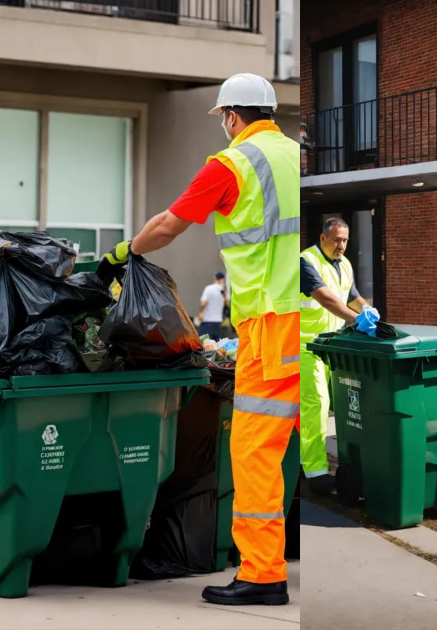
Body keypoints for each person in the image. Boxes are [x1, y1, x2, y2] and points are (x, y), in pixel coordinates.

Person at [99, 73, 300, 605]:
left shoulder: (232, 164)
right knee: (290, 447)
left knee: (254, 451)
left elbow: (170, 223)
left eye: (224, 120)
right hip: (307, 327)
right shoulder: (297, 156)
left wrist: (126, 251)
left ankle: (263, 576)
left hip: (272, 327)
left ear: (232, 116)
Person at [300, 217, 377, 493]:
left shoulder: (344, 264)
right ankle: (315, 472)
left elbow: (352, 295)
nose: (341, 245)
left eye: (344, 240)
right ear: (323, 238)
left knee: (337, 405)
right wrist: (356, 320)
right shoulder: (305, 262)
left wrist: (368, 311)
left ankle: (302, 459)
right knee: (316, 405)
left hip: (332, 348)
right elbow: (326, 298)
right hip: (305, 347)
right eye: (336, 240)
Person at [198, 272, 228, 339]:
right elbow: (225, 304)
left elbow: (203, 303)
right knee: (215, 346)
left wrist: (200, 313)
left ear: (215, 278)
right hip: (218, 323)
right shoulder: (223, 292)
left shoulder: (209, 288)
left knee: (203, 344)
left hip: (207, 322)